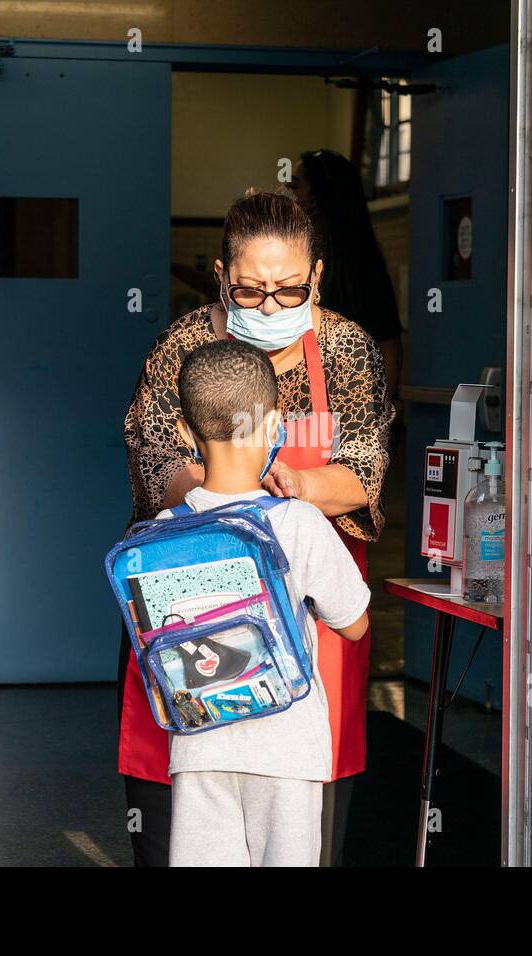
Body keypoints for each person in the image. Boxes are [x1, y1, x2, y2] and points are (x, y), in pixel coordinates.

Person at [120, 186, 394, 866]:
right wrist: (227, 501)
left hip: (313, 620)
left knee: (302, 827)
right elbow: (155, 460)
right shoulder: (181, 346)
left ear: (317, 276)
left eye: (288, 288)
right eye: (249, 291)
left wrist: (297, 491)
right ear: (220, 276)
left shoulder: (347, 350)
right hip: (192, 601)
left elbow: (364, 468)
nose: (270, 305)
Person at [158, 339, 369, 866]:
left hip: (200, 747)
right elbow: (356, 624)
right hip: (286, 748)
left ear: (184, 432)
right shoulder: (298, 522)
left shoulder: (159, 535)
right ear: (275, 424)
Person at [291, 149, 403, 396]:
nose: (291, 196)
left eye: (296, 187)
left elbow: (388, 345)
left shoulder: (360, 268)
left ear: (320, 196)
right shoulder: (299, 256)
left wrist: (381, 419)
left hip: (348, 408)